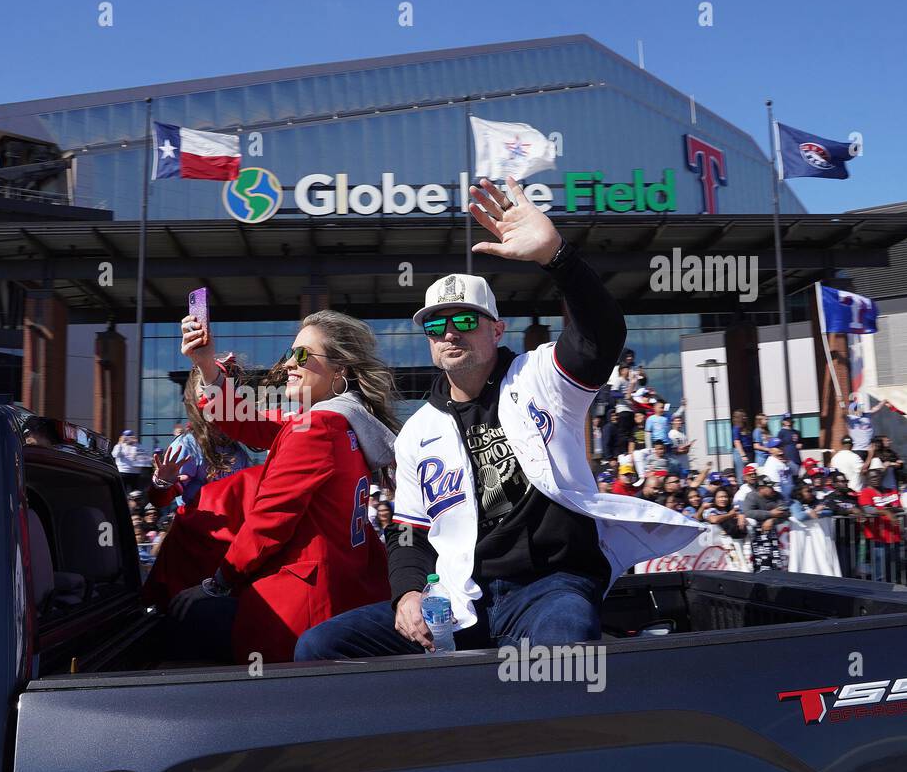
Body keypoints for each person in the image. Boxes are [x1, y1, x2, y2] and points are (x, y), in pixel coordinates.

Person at [295, 176, 699, 659]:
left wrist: (558, 257)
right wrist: (406, 594)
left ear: (496, 329)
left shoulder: (540, 377)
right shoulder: (418, 431)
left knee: (565, 653)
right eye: (436, 324)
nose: (451, 333)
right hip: (457, 598)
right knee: (320, 647)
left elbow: (601, 337)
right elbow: (408, 532)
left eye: (465, 320)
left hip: (549, 588)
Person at [167, 305, 400, 663]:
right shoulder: (341, 421)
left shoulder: (318, 427)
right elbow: (248, 422)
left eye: (302, 355)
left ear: (340, 370)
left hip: (296, 613)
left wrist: (218, 583)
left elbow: (268, 521)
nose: (289, 363)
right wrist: (206, 364)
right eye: (290, 353)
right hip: (335, 599)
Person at [148, 363, 256, 510]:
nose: (212, 403)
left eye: (219, 395)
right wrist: (163, 484)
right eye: (204, 396)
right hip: (198, 530)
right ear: (194, 401)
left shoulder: (238, 446)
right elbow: (160, 501)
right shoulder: (188, 445)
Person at [858, 467, 903, 583]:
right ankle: (879, 597)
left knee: (894, 569)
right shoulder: (866, 492)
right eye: (872, 477)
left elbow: (898, 507)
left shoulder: (891, 491)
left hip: (894, 535)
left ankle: (894, 595)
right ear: (867, 479)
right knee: (880, 572)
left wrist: (886, 509)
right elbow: (868, 509)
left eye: (877, 476)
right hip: (878, 537)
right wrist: (885, 511)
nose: (875, 479)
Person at [742, 477, 789, 571]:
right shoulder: (751, 496)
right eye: (770, 487)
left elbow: (786, 512)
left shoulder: (777, 495)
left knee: (778, 564)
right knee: (761, 564)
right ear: (761, 489)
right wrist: (770, 514)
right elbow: (748, 513)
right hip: (758, 535)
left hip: (776, 534)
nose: (773, 489)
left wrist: (772, 520)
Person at [731, 409, 753, 479]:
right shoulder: (736, 428)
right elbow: (737, 442)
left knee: (750, 472)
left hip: (749, 452)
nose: (745, 418)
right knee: (741, 474)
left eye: (745, 416)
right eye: (743, 416)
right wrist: (743, 455)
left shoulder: (746, 428)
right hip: (740, 453)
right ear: (739, 417)